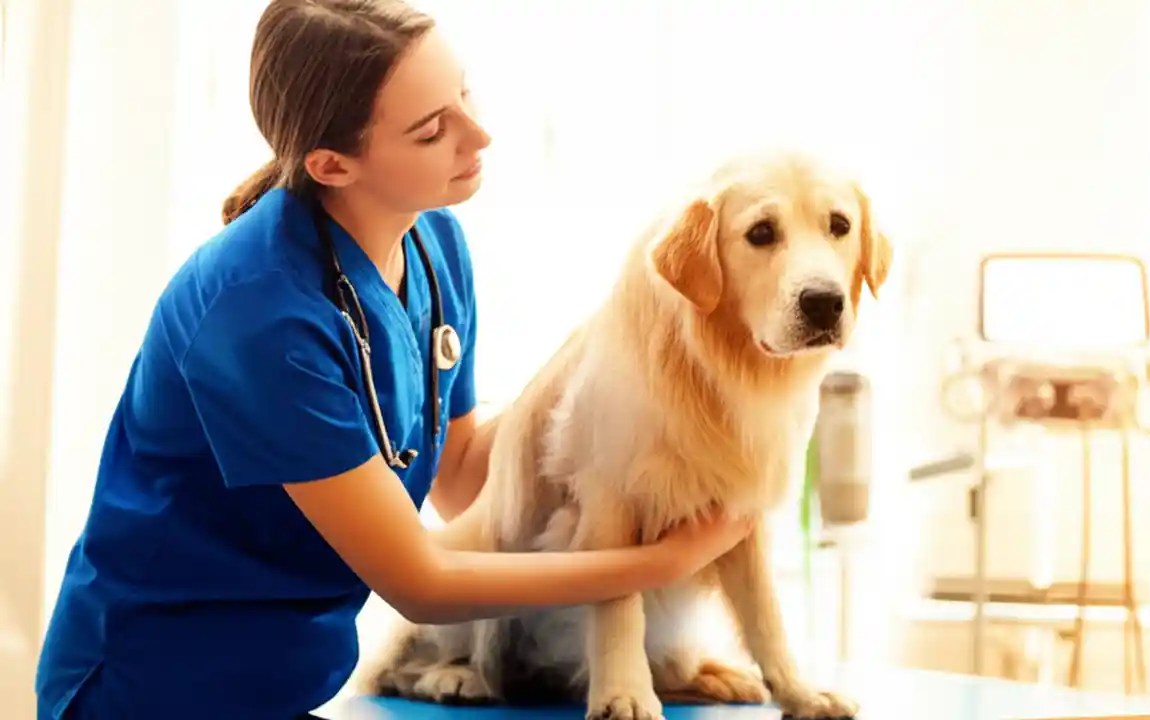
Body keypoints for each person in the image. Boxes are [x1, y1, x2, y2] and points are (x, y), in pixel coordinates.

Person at [33, 1, 755, 718]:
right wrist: (665, 564)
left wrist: (618, 369)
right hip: (151, 690)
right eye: (433, 130)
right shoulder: (260, 316)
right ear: (331, 163)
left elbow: (465, 474)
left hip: (279, 686)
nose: (480, 135)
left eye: (464, 94)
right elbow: (421, 583)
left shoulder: (432, 243)